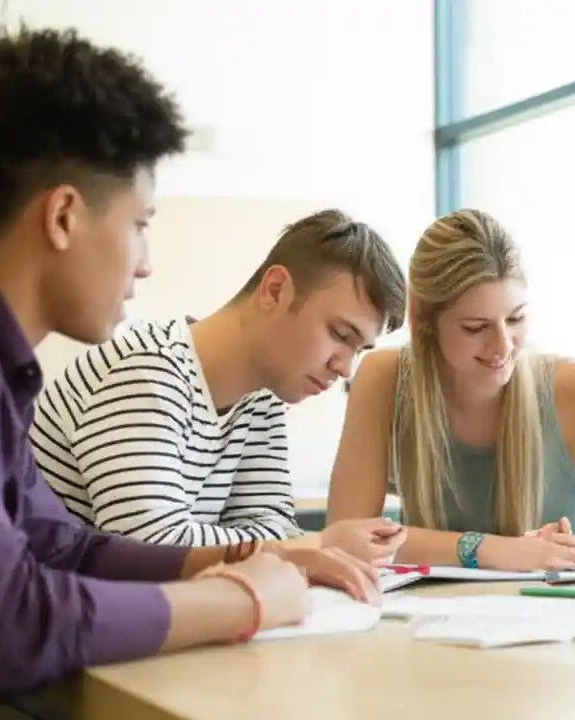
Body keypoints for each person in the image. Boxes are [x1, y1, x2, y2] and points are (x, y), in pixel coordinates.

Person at [0, 27, 375, 718]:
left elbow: (60, 546)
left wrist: (249, 559)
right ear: (63, 216)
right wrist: (240, 600)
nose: (145, 264)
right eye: (139, 224)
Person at [30, 209, 409, 564]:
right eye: (340, 334)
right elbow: (151, 552)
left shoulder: (262, 399)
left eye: (359, 349)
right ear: (275, 290)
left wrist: (275, 546)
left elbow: (276, 528)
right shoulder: (147, 372)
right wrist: (317, 545)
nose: (344, 368)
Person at [326, 209, 575, 571]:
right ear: (422, 319)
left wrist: (551, 553)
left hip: (571, 602)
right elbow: (347, 540)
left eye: (515, 319)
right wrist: (489, 549)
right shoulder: (385, 379)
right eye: (475, 327)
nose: (502, 346)